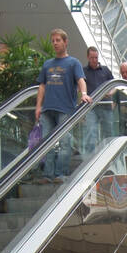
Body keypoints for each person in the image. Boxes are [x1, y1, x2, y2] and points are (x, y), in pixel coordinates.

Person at [34, 27, 92, 183]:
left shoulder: (73, 63)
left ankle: (61, 173)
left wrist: (84, 94)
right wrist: (38, 106)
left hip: (65, 109)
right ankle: (48, 174)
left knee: (65, 141)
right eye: (53, 41)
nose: (55, 43)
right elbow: (42, 86)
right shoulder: (47, 64)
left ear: (65, 42)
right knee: (47, 143)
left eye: (58, 40)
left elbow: (81, 80)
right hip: (48, 109)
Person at [82, 45, 114, 155]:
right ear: (87, 57)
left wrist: (110, 93)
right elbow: (80, 87)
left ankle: (108, 157)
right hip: (91, 107)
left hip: (106, 106)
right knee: (90, 133)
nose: (95, 60)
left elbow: (114, 86)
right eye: (92, 58)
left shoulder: (105, 70)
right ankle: (89, 160)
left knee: (108, 133)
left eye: (96, 57)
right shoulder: (83, 71)